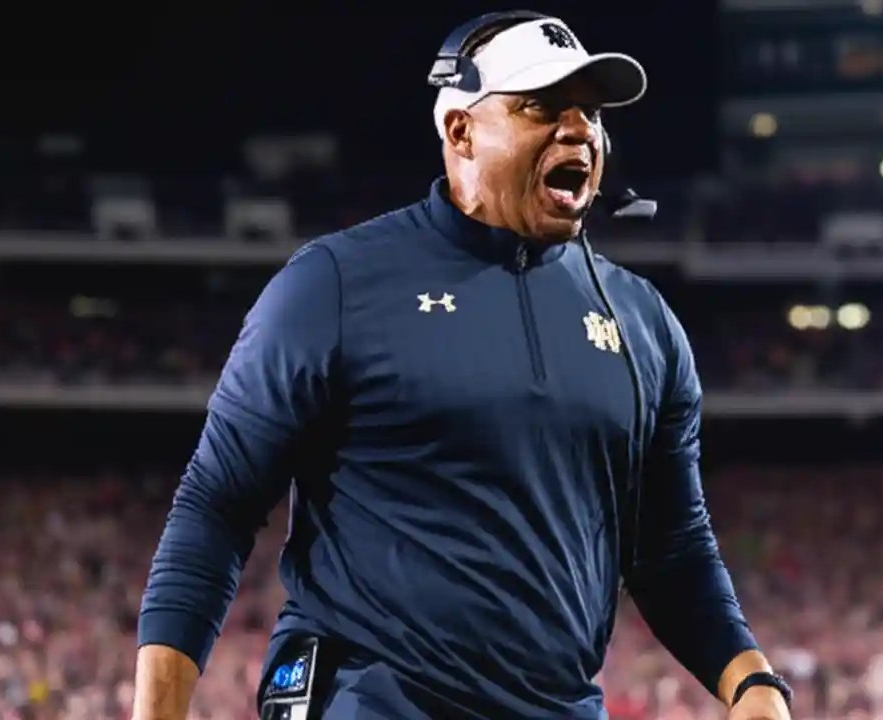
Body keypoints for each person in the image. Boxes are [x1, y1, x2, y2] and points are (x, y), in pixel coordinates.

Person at [131, 11, 792, 720]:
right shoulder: (335, 285)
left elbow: (673, 548)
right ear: (460, 131)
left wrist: (750, 684)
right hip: (368, 695)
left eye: (590, 112)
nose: (579, 131)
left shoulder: (644, 324)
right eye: (541, 107)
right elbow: (215, 505)